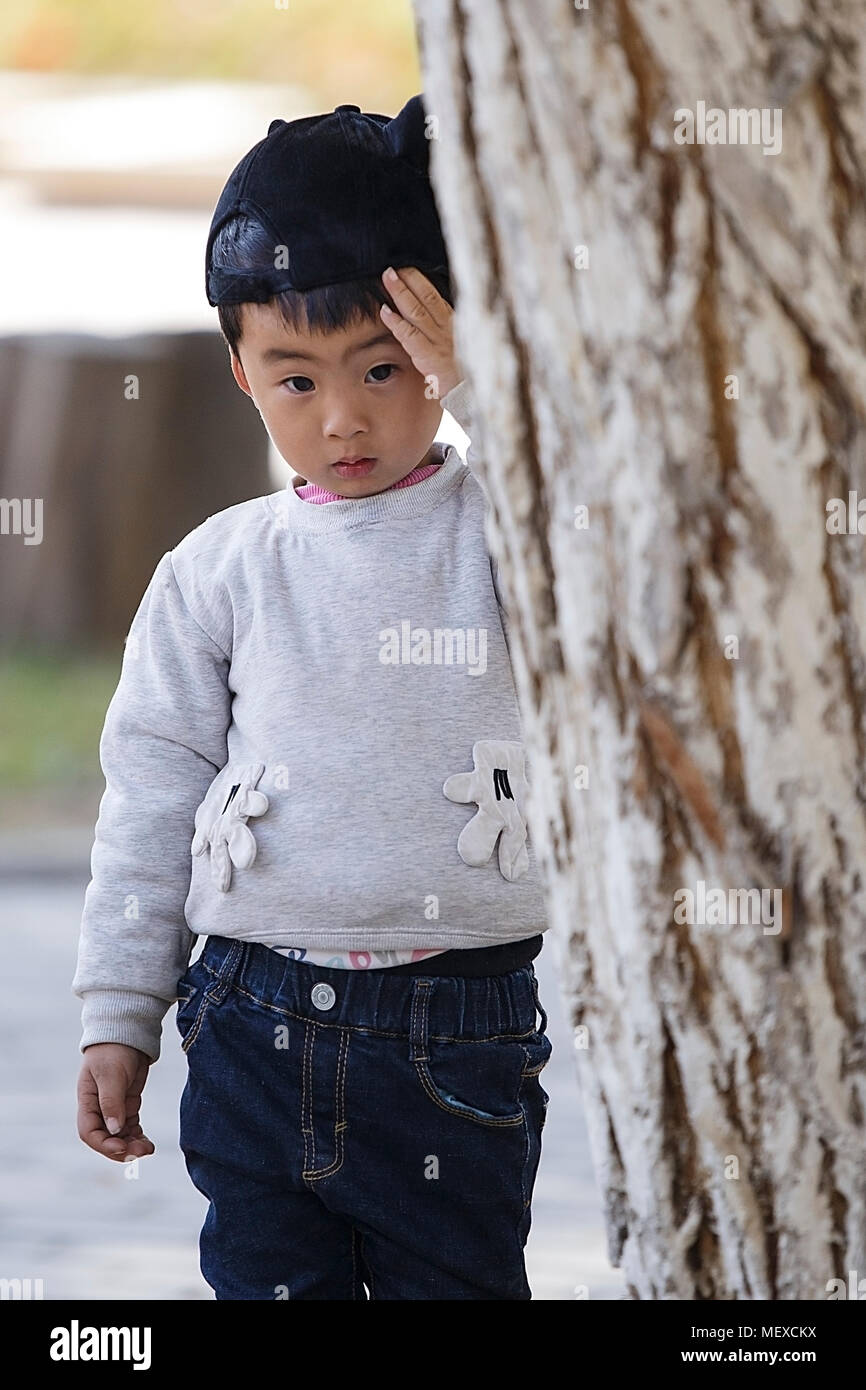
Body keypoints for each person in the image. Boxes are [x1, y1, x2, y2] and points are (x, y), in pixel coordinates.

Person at [72, 94, 553, 1300]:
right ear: (239, 371)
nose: (341, 417)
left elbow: (599, 545)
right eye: (294, 378)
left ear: (442, 354)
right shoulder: (217, 571)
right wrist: (118, 1011)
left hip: (456, 1030)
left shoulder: (509, 537)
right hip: (245, 1016)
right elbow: (150, 796)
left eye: (384, 369)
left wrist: (489, 385)